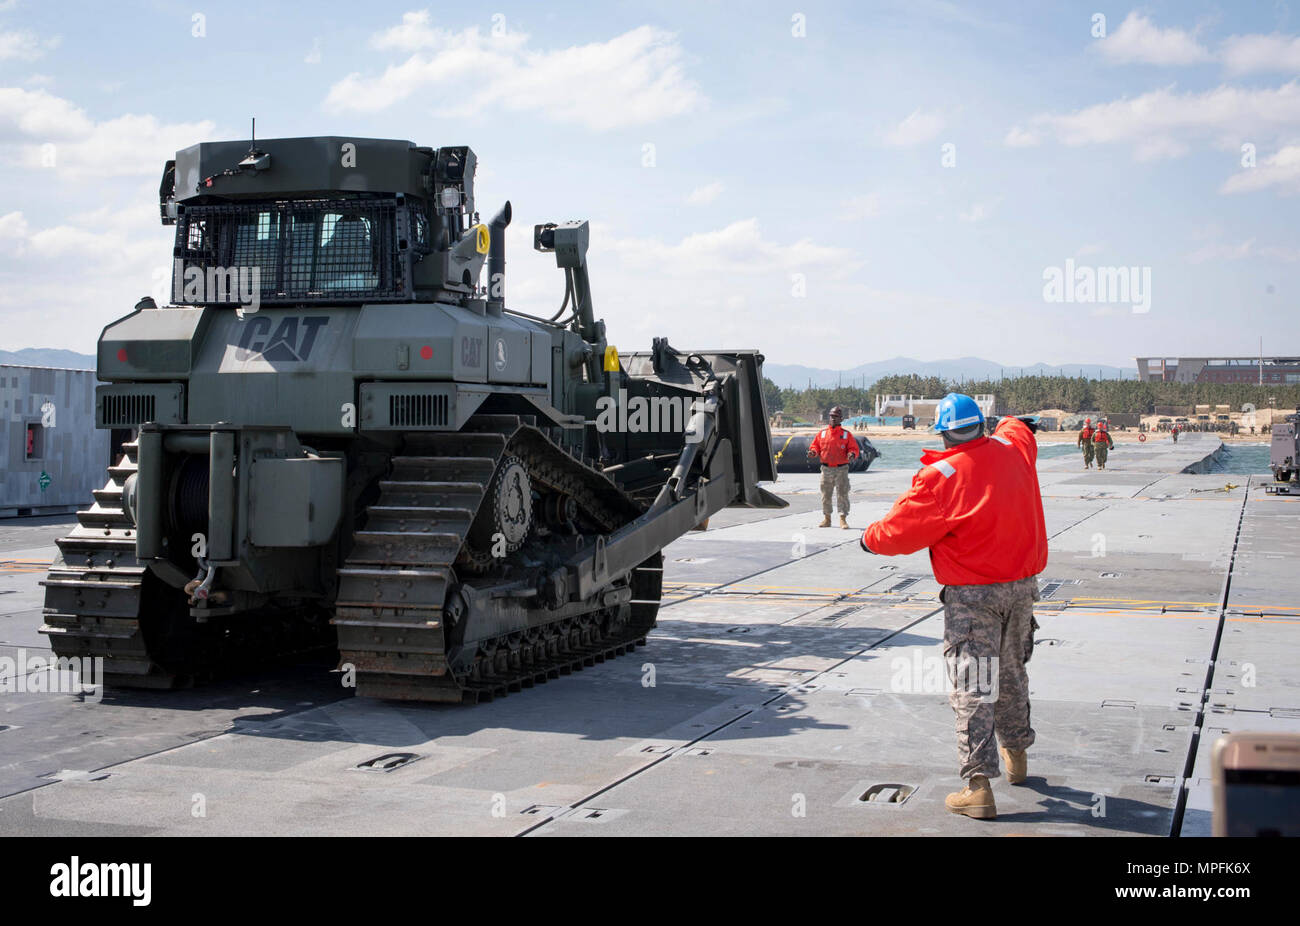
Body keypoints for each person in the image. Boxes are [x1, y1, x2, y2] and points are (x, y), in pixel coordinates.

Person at [860, 394, 1047, 820]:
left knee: (975, 685)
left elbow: (898, 533)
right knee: (1014, 671)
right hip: (1021, 589)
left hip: (973, 598)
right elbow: (1017, 428)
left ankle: (978, 787)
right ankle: (1017, 758)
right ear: (981, 425)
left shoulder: (941, 476)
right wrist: (1018, 421)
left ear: (944, 434)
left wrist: (868, 538)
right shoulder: (1013, 449)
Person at [807, 405, 858, 528]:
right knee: (826, 495)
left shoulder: (846, 435)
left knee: (842, 494)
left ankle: (842, 519)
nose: (833, 419)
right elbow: (815, 447)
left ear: (841, 419)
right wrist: (813, 452)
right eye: (831, 416)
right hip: (826, 469)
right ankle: (827, 519)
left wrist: (851, 454)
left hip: (841, 469)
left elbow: (853, 448)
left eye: (836, 417)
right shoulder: (822, 434)